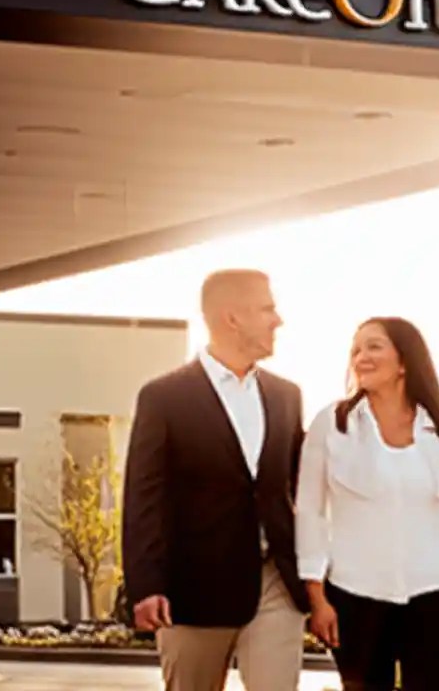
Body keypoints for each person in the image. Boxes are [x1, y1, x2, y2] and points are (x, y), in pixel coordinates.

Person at [122, 268, 311, 691]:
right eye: (267, 309)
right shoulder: (164, 397)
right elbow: (143, 497)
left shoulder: (286, 397)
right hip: (193, 591)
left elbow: (300, 487)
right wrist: (146, 585)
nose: (277, 320)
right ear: (232, 318)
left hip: (276, 584)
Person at [296, 316, 439, 691]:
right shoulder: (333, 425)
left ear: (404, 361)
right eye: (356, 350)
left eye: (374, 346)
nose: (361, 357)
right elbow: (309, 512)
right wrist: (316, 596)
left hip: (435, 595)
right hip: (354, 598)